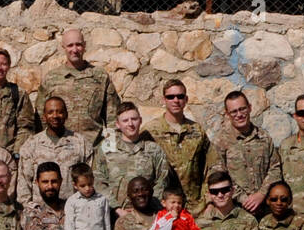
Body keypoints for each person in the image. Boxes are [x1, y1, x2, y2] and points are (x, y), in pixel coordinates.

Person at [36, 27, 120, 147]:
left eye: (78, 45)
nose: (74, 50)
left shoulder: (100, 76)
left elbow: (113, 117)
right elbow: (41, 116)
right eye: (70, 45)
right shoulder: (51, 78)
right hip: (61, 148)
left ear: (85, 46)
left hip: (94, 147)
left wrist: (110, 148)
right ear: (63, 47)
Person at [207, 90, 282, 216]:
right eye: (234, 111)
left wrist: (261, 194)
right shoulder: (220, 141)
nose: (239, 114)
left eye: (242, 109)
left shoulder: (264, 137)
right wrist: (243, 199)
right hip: (236, 211)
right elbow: (217, 176)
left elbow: (275, 168)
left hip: (266, 208)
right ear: (227, 114)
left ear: (250, 108)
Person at [144, 78, 212, 210]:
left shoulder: (197, 130)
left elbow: (210, 165)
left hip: (194, 207)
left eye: (180, 96)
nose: (176, 100)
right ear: (164, 100)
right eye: (170, 97)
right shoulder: (150, 131)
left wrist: (207, 199)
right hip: (162, 206)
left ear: (186, 99)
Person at [94, 101, 171, 209]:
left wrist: (151, 206)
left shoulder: (153, 150)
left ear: (140, 121)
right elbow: (99, 181)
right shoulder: (106, 148)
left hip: (147, 214)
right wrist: (116, 208)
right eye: (125, 120)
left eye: (134, 119)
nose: (130, 124)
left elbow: (162, 181)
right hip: (115, 214)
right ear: (117, 124)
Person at [17, 95, 91, 206]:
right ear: (44, 116)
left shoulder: (80, 143)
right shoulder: (31, 144)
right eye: (50, 112)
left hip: (73, 210)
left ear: (66, 115)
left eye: (60, 112)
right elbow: (24, 181)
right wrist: (30, 207)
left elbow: (90, 178)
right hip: (40, 213)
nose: (55, 116)